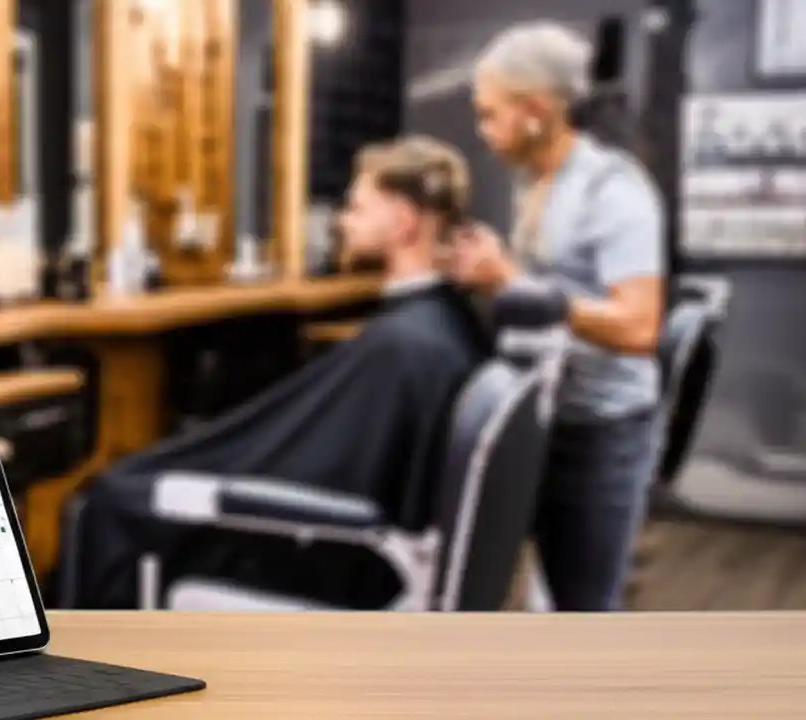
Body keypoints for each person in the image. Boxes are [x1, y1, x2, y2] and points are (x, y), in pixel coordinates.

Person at [59, 137, 492, 608]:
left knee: (113, 499)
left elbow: (325, 467)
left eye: (358, 208)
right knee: (138, 480)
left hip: (338, 548)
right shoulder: (446, 324)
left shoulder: (407, 345)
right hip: (378, 544)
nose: (344, 222)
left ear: (404, 222)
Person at [446, 22, 665, 611]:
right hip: (549, 411)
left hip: (602, 430)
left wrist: (509, 280)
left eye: (490, 114)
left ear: (536, 110)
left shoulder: (611, 191)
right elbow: (557, 286)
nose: (482, 129)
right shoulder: (537, 181)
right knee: (544, 594)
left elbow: (639, 328)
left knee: (585, 608)